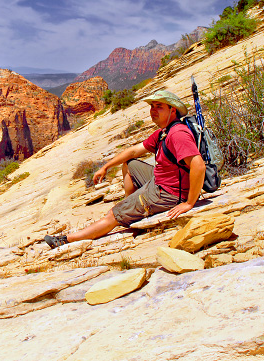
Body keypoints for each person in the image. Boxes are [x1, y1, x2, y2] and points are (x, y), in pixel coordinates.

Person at [51, 94, 205, 247]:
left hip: (168, 193)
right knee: (129, 164)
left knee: (113, 214)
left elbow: (198, 166)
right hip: (163, 181)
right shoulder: (164, 132)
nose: (153, 110)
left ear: (173, 111)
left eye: (159, 106)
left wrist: (189, 203)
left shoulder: (177, 133)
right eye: (152, 106)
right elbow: (133, 152)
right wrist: (106, 167)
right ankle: (130, 206)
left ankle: (66, 240)